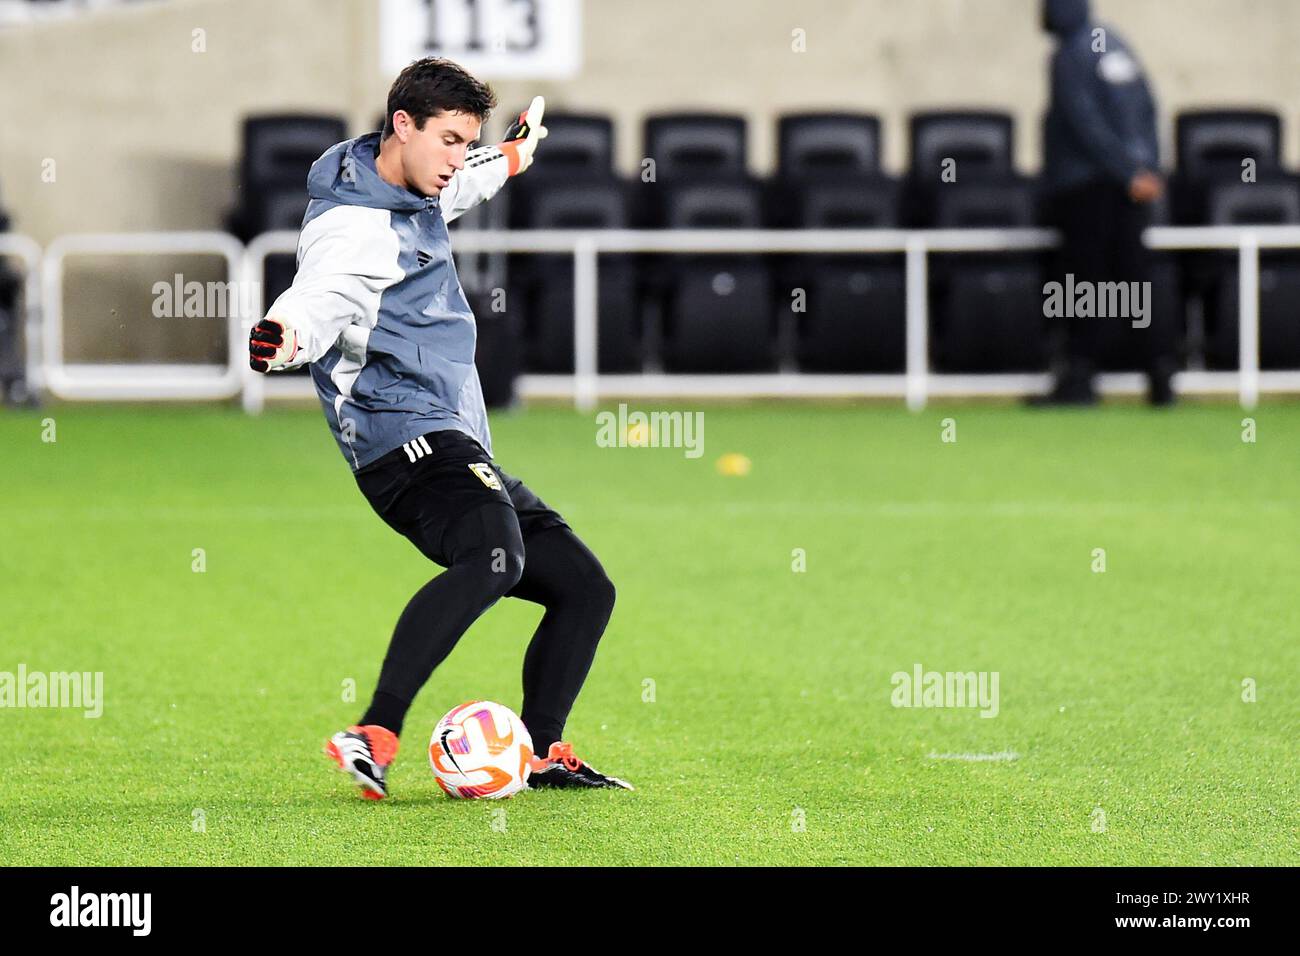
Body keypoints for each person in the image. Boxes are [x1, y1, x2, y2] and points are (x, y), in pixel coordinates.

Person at [248, 57, 631, 798]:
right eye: (450, 140)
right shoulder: (354, 227)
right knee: (494, 557)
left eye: (465, 142)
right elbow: (320, 295)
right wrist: (284, 336)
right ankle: (376, 729)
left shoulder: (414, 184)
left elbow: (470, 180)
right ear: (402, 125)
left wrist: (515, 152)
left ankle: (545, 750)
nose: (457, 160)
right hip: (404, 442)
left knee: (585, 586)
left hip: (449, 436)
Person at [1036, 0, 1175, 406]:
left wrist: (1124, 171)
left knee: (1084, 283)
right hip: (1131, 187)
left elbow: (1084, 122)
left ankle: (1080, 379)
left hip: (1088, 188)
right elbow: (1148, 108)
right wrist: (1147, 169)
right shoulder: (1115, 44)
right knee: (1133, 280)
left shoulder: (1069, 55)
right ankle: (1159, 375)